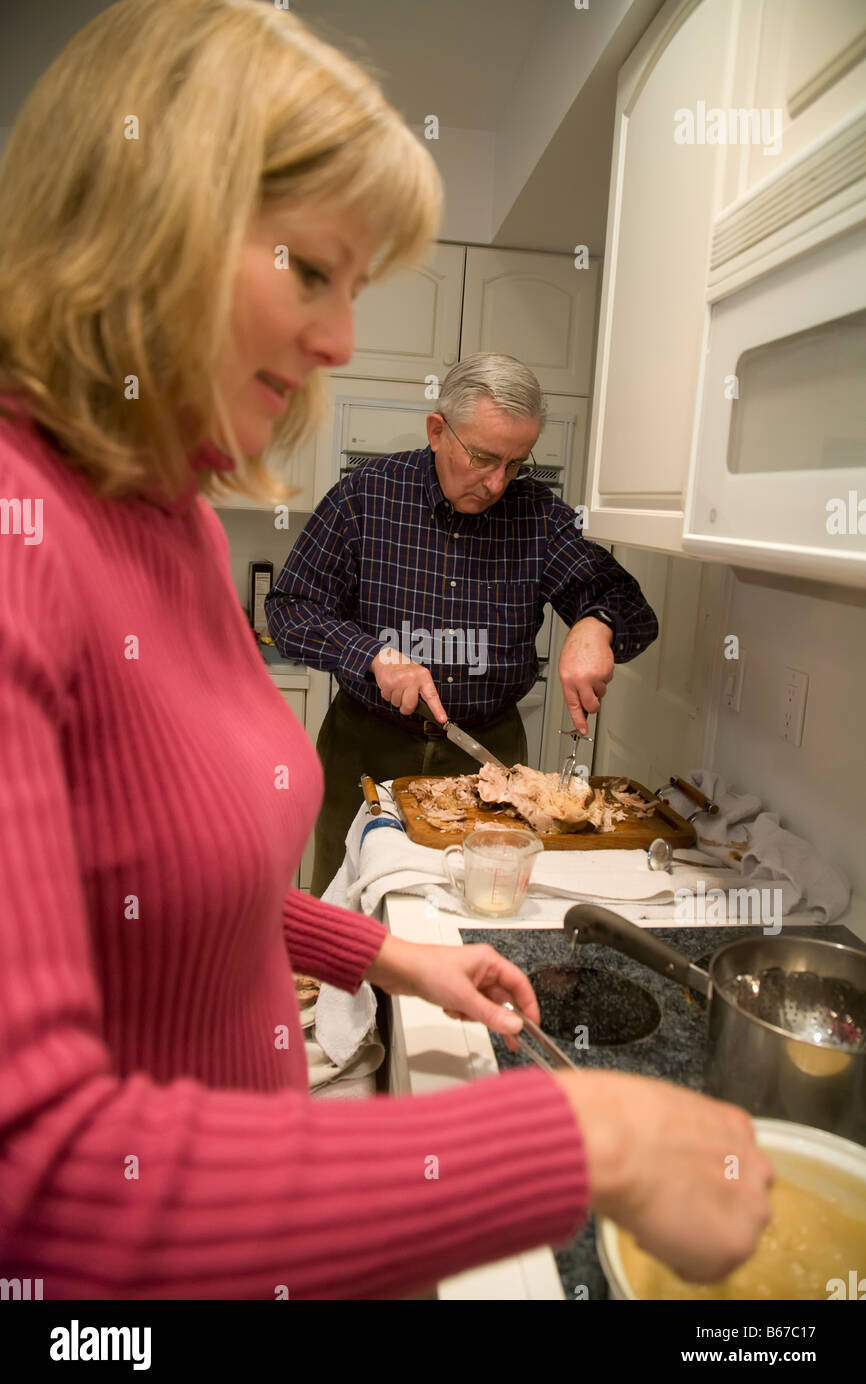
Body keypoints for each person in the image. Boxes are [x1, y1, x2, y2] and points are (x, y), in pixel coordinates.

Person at [0, 0, 772, 1300]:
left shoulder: (168, 516)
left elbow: (171, 887)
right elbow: (40, 1180)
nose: (340, 340)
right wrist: (589, 1133)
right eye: (308, 268)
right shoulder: (28, 534)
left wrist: (382, 951)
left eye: (353, 287)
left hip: (250, 1212)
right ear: (140, 226)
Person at [267, 353, 659, 895]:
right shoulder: (365, 496)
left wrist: (596, 623)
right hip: (364, 749)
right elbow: (289, 609)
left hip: (489, 762)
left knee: (478, 906)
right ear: (437, 430)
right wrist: (371, 656)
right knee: (347, 907)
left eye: (516, 464)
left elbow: (629, 606)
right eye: (483, 458)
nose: (498, 482)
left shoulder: (538, 517)